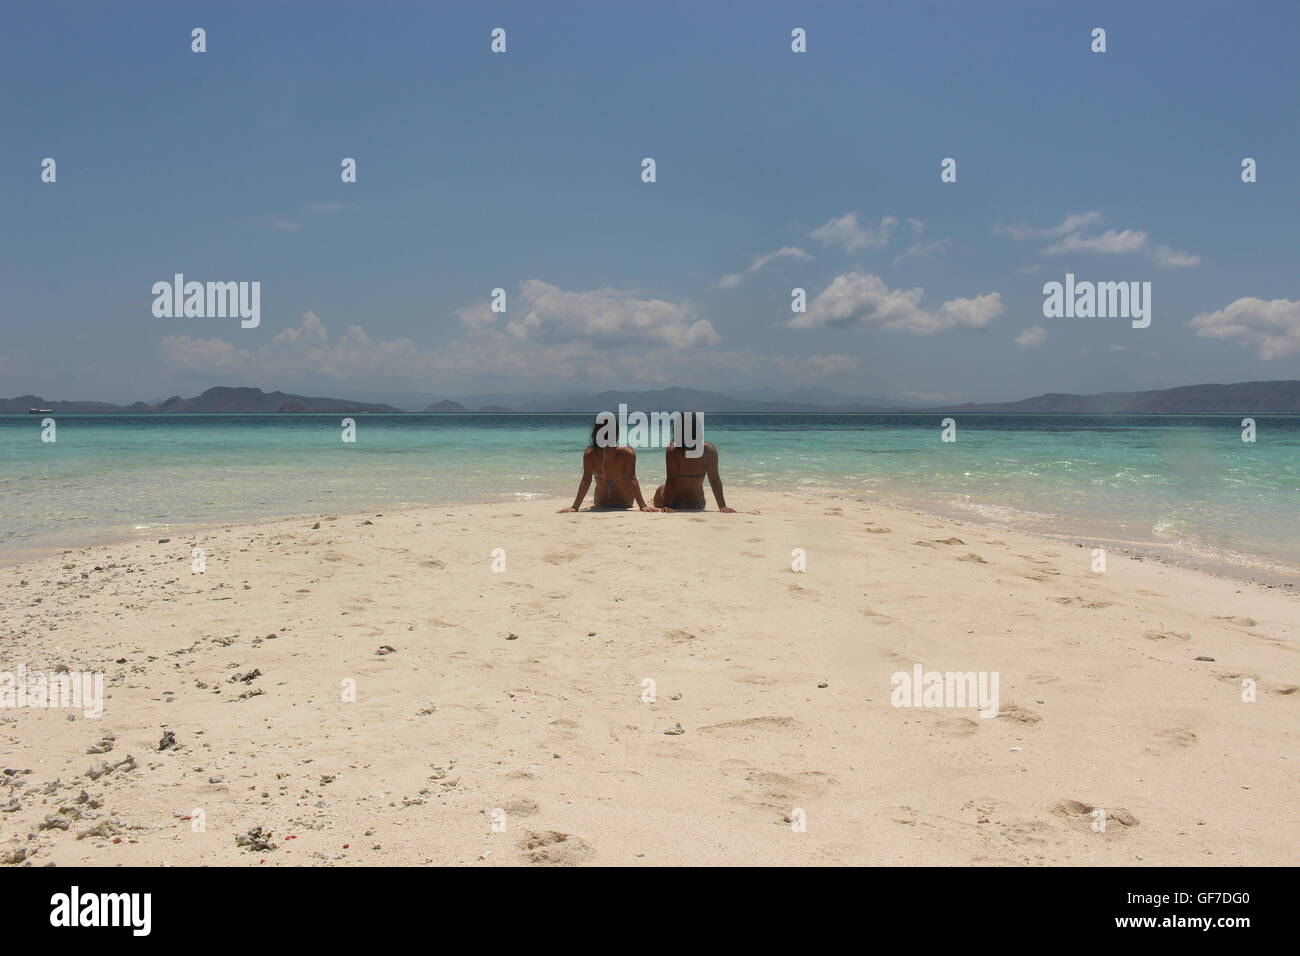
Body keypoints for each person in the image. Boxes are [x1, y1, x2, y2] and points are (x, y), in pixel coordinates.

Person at [558, 416, 657, 512]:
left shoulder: (590, 454)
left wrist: (575, 507)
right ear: (617, 435)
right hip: (624, 502)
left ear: (596, 435)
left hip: (601, 502)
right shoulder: (627, 453)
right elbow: (631, 479)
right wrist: (642, 506)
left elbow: (586, 480)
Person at [652, 411, 736, 513]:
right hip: (697, 503)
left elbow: (672, 480)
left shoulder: (672, 450)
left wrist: (668, 505)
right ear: (698, 430)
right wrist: (722, 506)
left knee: (661, 488)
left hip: (675, 502)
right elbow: (714, 480)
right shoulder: (709, 450)